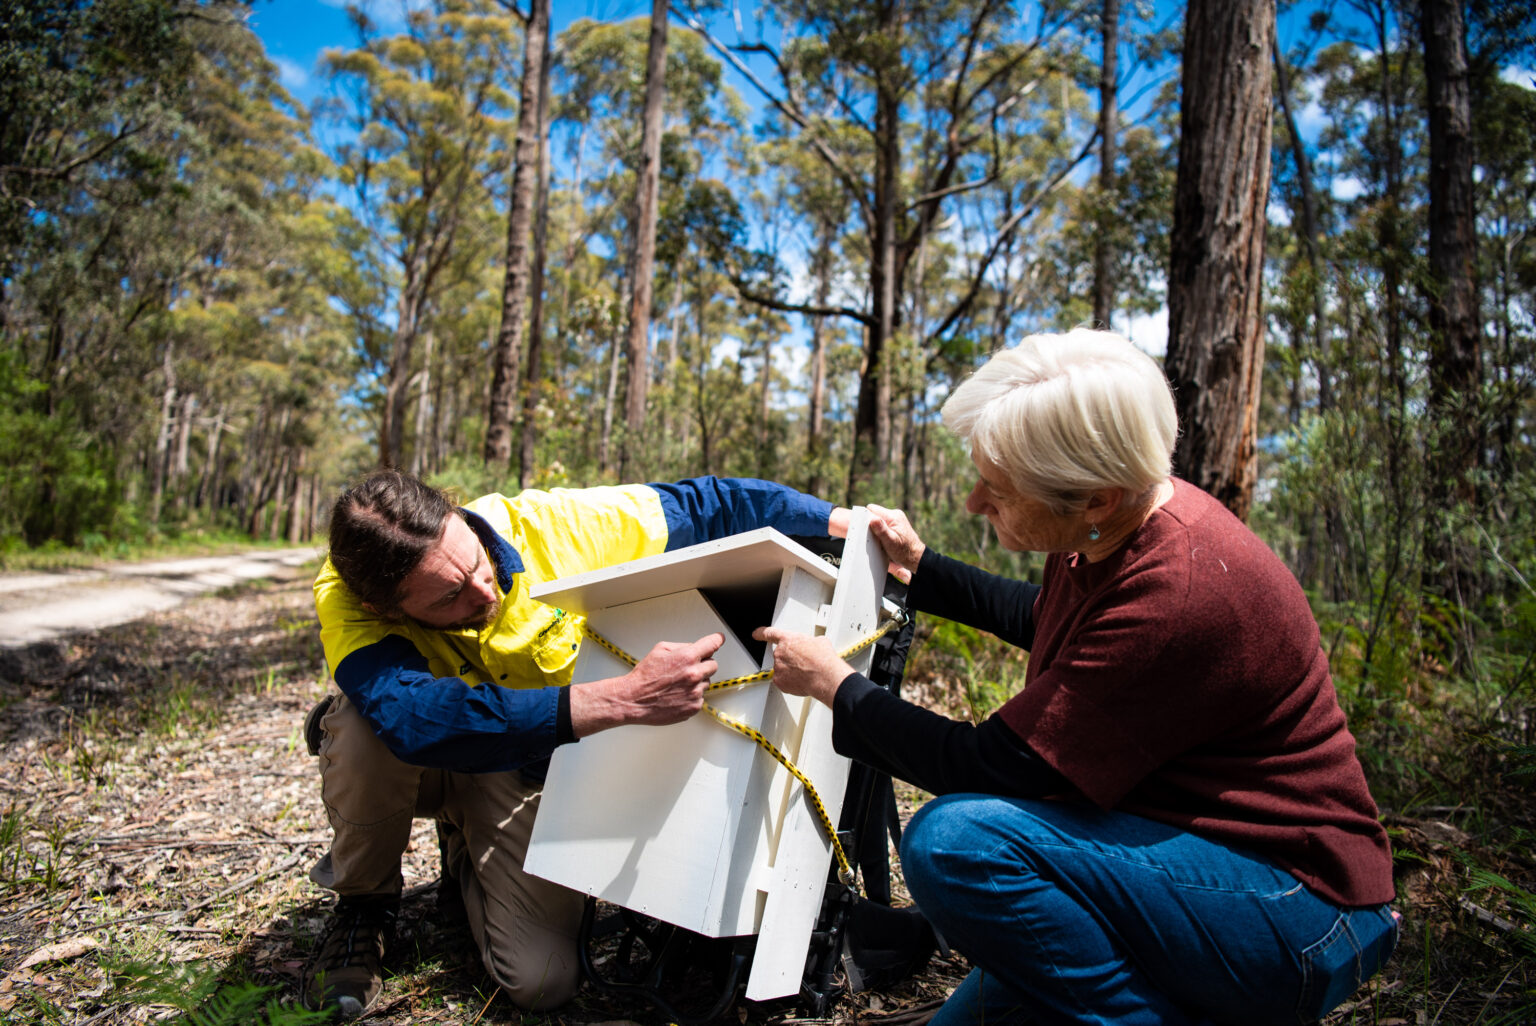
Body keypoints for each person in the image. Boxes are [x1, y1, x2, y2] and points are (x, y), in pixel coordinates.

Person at [755, 329, 1398, 1026]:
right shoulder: (1111, 531)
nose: (974, 502)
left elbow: (993, 768)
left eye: (999, 489)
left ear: (1097, 497)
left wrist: (835, 685)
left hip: (1297, 906)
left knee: (956, 843)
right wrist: (924, 568)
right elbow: (1045, 617)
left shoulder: (1177, 591)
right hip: (1180, 860)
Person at [302, 470, 846, 1019]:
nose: (485, 592)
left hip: (517, 767)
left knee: (542, 981)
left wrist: (842, 521)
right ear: (383, 607)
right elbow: (414, 721)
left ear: (458, 515)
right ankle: (364, 905)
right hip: (423, 755)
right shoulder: (347, 597)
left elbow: (710, 504)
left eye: (476, 563)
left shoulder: (556, 528)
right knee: (366, 727)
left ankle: (465, 850)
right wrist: (622, 698)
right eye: (450, 596)